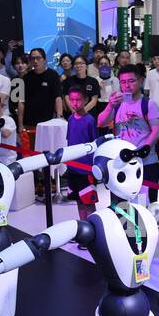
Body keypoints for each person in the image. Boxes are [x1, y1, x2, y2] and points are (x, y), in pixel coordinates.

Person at [99, 66, 159, 203]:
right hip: (121, 164)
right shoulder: (117, 104)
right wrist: (110, 105)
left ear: (140, 81)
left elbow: (156, 132)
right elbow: (101, 122)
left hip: (146, 164)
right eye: (123, 82)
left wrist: (142, 150)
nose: (126, 85)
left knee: (145, 208)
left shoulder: (149, 104)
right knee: (121, 209)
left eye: (131, 81)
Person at [63, 81, 97, 218]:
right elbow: (69, 141)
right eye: (71, 100)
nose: (74, 103)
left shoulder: (90, 120)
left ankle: (94, 228)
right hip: (73, 168)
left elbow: (94, 144)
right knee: (78, 200)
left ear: (85, 100)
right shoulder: (70, 119)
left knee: (89, 200)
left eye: (78, 100)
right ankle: (83, 227)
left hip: (86, 169)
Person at [21, 48, 63, 155]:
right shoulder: (25, 78)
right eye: (33, 58)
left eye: (38, 58)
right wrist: (20, 124)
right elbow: (21, 102)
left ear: (44, 59)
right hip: (29, 124)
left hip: (47, 124)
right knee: (30, 154)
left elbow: (57, 97)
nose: (35, 61)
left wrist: (60, 117)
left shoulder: (53, 75)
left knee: (47, 155)